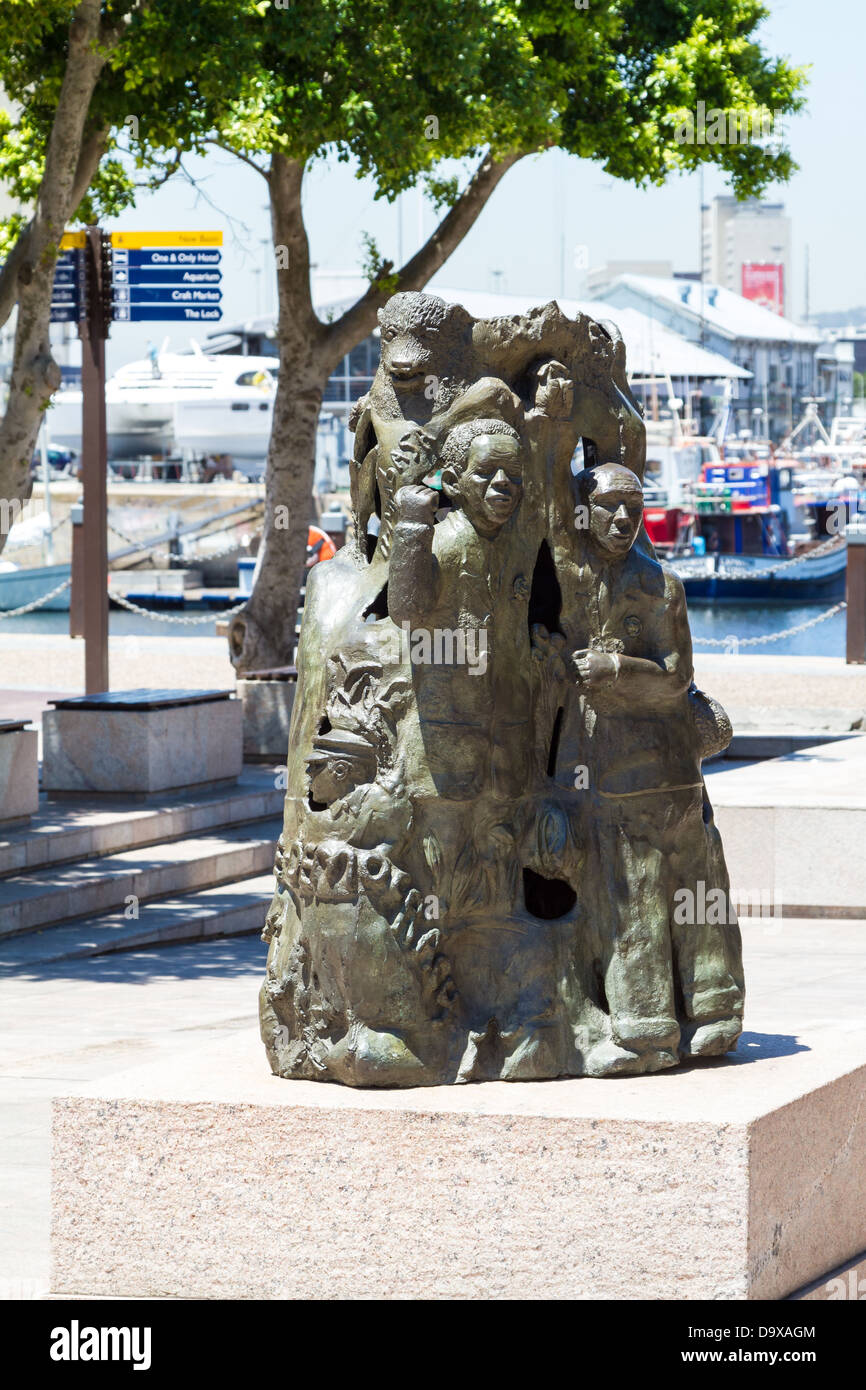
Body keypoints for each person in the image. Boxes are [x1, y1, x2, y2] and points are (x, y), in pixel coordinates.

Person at [568, 463, 744, 1075]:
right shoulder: (568, 580)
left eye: (632, 507)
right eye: (609, 506)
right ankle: (680, 1020)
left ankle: (686, 1022)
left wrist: (615, 672)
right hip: (617, 770)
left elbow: (677, 675)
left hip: (655, 770)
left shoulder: (661, 584)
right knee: (657, 892)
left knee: (657, 890)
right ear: (582, 512)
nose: (622, 518)